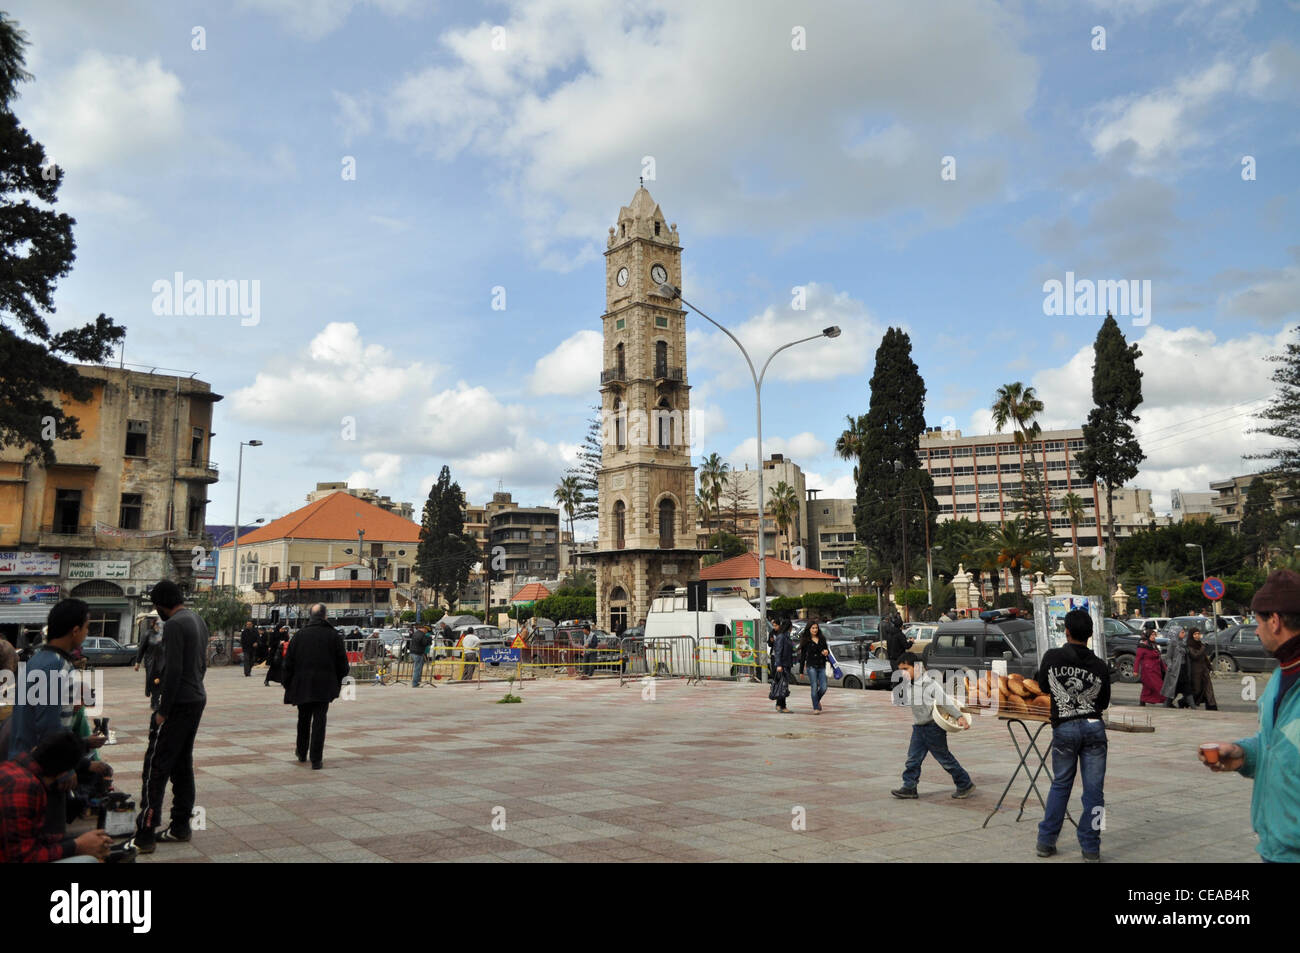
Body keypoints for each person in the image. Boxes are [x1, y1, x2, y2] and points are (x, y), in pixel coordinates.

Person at [1198, 569, 1300, 863]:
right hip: (1276, 847)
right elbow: (1282, 743)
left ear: (1276, 621)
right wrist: (1245, 754)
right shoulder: (1283, 674)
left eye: (1258, 622)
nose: (1256, 631)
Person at [7, 599, 113, 835]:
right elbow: (47, 727)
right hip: (42, 771)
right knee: (49, 837)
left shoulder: (45, 660)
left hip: (38, 763)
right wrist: (66, 769)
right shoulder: (53, 665)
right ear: (75, 630)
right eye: (86, 628)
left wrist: (83, 747)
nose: (86, 634)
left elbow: (46, 721)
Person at [132, 579, 207, 854]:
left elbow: (173, 669)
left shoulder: (174, 624)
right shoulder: (197, 619)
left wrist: (163, 710)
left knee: (156, 765)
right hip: (196, 698)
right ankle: (180, 827)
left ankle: (146, 833)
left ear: (161, 605)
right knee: (181, 764)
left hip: (178, 703)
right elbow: (203, 663)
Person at [1034, 608, 1110, 862]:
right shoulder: (1100, 665)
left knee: (1061, 784)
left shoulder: (1053, 657)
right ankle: (1092, 848)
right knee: (1095, 791)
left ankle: (1046, 841)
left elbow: (1043, 686)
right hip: (1094, 728)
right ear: (1089, 635)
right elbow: (1105, 700)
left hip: (1064, 727)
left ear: (1066, 632)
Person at [0, 730, 112, 863]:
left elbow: (29, 838)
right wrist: (77, 846)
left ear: (36, 749)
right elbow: (22, 858)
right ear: (63, 774)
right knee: (88, 860)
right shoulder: (26, 787)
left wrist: (77, 841)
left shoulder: (10, 768)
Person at [890, 653, 974, 799]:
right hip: (918, 728)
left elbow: (945, 701)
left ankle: (964, 783)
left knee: (945, 759)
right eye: (900, 670)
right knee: (913, 759)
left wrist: (959, 717)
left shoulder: (930, 683)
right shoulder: (909, 684)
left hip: (933, 728)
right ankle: (909, 787)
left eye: (905, 668)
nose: (902, 673)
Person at [282, 604, 349, 770]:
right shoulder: (333, 636)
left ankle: (302, 751)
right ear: (325, 616)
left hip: (302, 684)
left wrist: (289, 683)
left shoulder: (299, 635)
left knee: (303, 719)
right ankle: (316, 758)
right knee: (320, 721)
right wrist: (337, 680)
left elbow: (288, 663)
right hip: (324, 685)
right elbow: (343, 664)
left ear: (310, 616)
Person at [799, 621, 831, 714]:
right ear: (809, 629)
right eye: (813, 628)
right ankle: (816, 707)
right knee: (814, 686)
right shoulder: (806, 641)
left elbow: (826, 649)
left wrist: (826, 652)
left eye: (816, 628)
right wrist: (801, 671)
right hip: (811, 666)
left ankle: (816, 700)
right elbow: (803, 657)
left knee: (824, 687)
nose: (815, 630)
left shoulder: (822, 638)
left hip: (822, 665)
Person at [1161, 627, 1194, 708]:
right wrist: (1170, 665)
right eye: (1182, 632)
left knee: (1186, 688)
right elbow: (1168, 657)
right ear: (1176, 633)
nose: (1184, 634)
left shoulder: (1184, 643)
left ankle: (1193, 706)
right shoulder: (1172, 643)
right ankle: (1167, 704)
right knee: (1175, 687)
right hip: (1175, 670)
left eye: (1184, 632)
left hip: (1183, 669)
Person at [1185, 628, 1218, 711]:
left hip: (1204, 670)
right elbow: (1195, 656)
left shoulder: (1200, 644)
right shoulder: (1189, 645)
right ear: (1191, 635)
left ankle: (1212, 706)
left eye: (1198, 634)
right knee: (1197, 690)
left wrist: (1210, 667)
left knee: (1208, 688)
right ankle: (1184, 702)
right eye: (1195, 634)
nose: (1197, 636)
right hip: (1195, 671)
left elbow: (1204, 657)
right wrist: (1203, 648)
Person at [1134, 623, 1166, 707]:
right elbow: (1137, 659)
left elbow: (1159, 657)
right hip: (1148, 671)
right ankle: (1166, 701)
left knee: (1147, 688)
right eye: (1152, 635)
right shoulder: (1142, 646)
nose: (1153, 637)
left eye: (1154, 635)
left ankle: (1143, 700)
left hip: (1156, 669)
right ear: (1148, 636)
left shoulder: (1153, 645)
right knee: (1159, 686)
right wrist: (1135, 671)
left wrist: (1165, 668)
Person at [134, 616, 163, 700]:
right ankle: (152, 697)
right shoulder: (148, 634)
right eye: (157, 624)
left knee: (160, 681)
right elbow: (141, 649)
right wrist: (137, 662)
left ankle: (156, 700)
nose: (159, 626)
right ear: (153, 624)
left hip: (162, 662)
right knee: (153, 680)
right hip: (151, 662)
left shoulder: (164, 635)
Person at [771, 619, 794, 713]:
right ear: (789, 627)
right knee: (783, 685)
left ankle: (779, 705)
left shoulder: (786, 636)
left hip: (786, 664)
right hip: (782, 665)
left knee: (782, 685)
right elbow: (778, 651)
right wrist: (779, 664)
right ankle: (782, 706)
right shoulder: (782, 637)